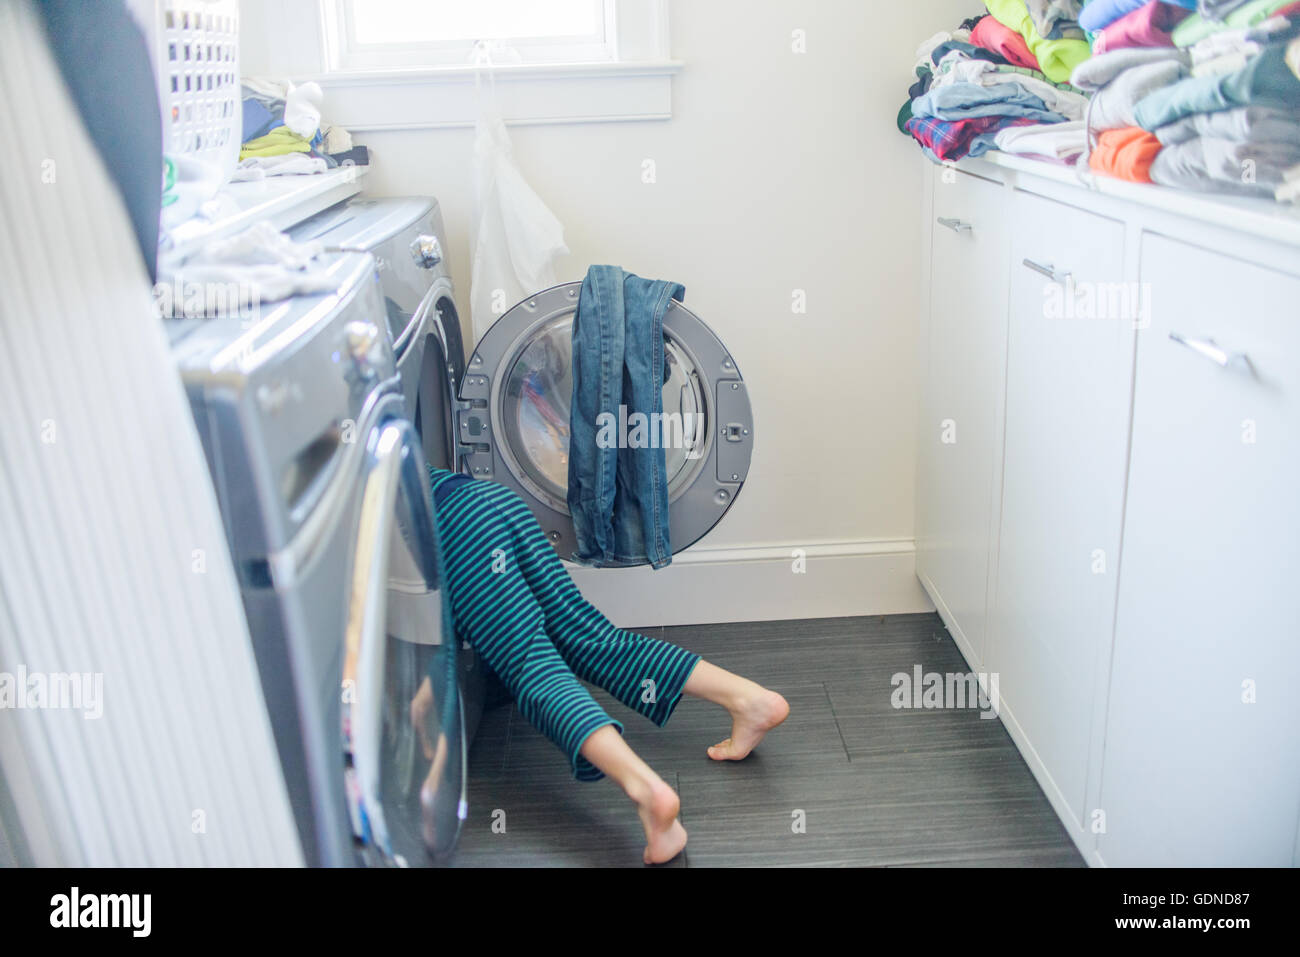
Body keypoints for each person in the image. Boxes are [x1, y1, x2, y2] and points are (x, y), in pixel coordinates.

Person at [410, 467, 789, 864]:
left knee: (533, 668)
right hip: (491, 501)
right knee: (592, 639)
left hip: (459, 532)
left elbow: (423, 629)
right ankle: (750, 700)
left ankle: (649, 793)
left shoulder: (348, 508)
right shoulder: (367, 447)